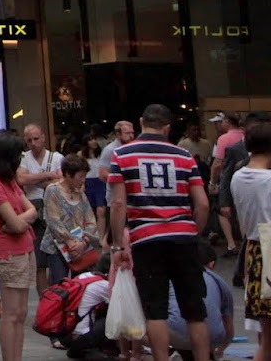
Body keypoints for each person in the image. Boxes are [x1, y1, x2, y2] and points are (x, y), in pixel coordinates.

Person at [108, 104, 212, 361]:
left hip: (146, 240)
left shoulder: (122, 155)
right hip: (184, 238)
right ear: (167, 127)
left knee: (156, 311)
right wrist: (193, 233)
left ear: (141, 122)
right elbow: (202, 204)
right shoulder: (184, 156)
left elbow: (118, 204)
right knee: (195, 311)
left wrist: (118, 245)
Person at [0, 132, 36, 361]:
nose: (20, 161)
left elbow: (32, 211)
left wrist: (18, 221)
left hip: (25, 249)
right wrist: (19, 221)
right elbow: (16, 223)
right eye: (18, 156)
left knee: (21, 313)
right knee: (11, 313)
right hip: (9, 253)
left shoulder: (10, 182)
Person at [228, 119, 271, 361]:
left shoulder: (238, 177)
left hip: (254, 251)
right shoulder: (268, 180)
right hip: (269, 248)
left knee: (265, 337)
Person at [165, 239, 233, 361]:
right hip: (212, 338)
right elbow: (229, 328)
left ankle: (172, 352)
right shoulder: (220, 282)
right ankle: (204, 354)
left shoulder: (174, 275)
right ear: (212, 264)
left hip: (176, 334)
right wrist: (221, 349)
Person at [19, 124, 64, 294]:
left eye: (36, 139)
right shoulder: (24, 158)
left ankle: (55, 297)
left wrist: (34, 180)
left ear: (43, 137)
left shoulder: (57, 157)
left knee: (56, 258)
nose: (33, 143)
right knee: (39, 262)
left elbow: (62, 181)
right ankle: (44, 300)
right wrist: (47, 175)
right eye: (29, 140)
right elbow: (21, 179)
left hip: (54, 209)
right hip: (34, 211)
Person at [42, 154, 99, 289]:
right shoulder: (53, 190)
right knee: (59, 286)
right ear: (68, 174)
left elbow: (91, 221)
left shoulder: (81, 194)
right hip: (58, 247)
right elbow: (53, 220)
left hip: (80, 246)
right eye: (80, 176)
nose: (83, 180)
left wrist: (83, 243)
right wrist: (69, 241)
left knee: (81, 286)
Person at [212, 112, 245, 254]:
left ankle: (231, 244)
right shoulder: (245, 136)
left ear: (227, 122)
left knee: (222, 210)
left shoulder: (223, 139)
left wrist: (213, 182)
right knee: (242, 211)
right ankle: (245, 241)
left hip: (229, 178)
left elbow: (217, 163)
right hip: (246, 178)